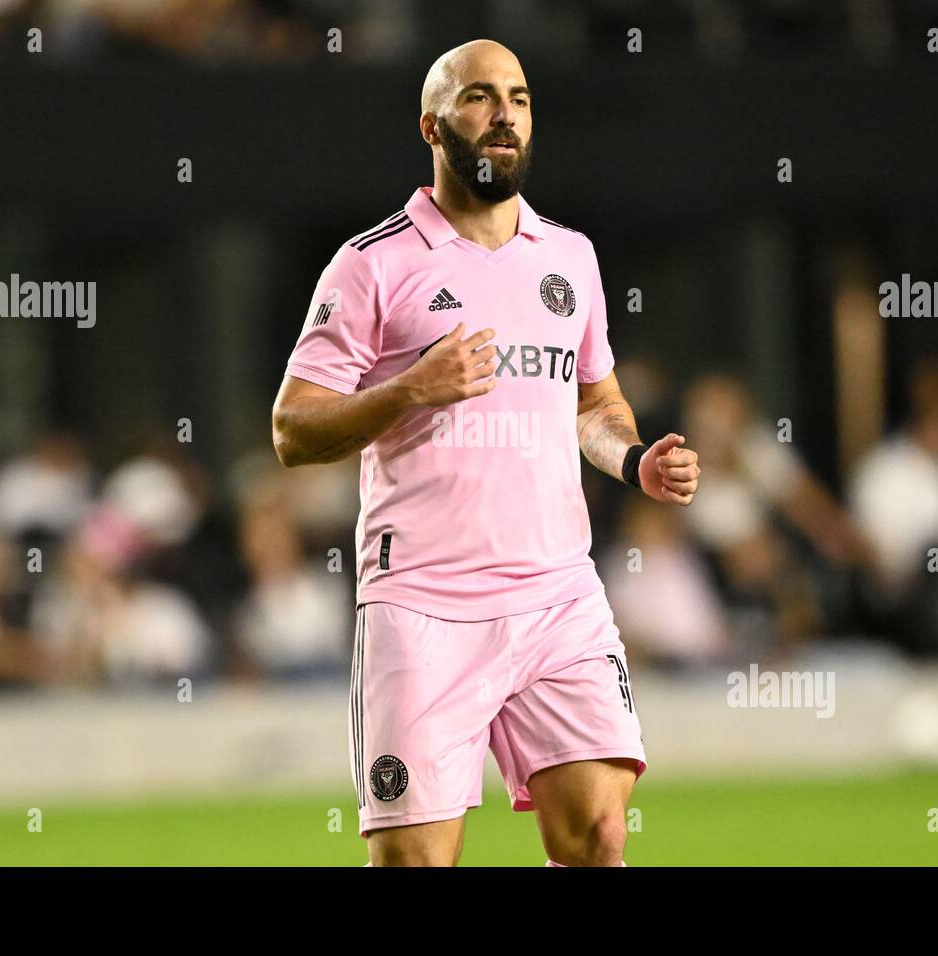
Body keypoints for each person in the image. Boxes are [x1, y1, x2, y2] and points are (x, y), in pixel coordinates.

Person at [272, 39, 700, 866]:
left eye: (520, 97)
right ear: (431, 126)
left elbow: (595, 403)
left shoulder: (569, 258)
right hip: (424, 602)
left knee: (600, 835)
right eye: (479, 97)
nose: (505, 112)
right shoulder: (371, 264)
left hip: (556, 591)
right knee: (416, 862)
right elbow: (292, 429)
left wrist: (633, 458)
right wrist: (407, 391)